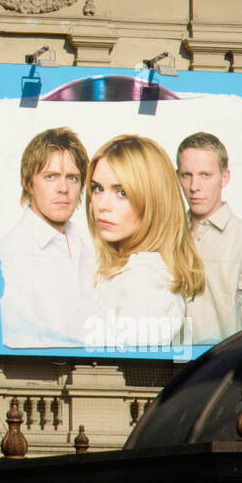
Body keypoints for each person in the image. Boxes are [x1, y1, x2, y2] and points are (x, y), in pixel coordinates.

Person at [85, 135, 205, 354]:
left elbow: (124, 371)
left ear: (153, 199)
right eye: (97, 188)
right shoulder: (126, 274)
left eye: (121, 193)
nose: (102, 205)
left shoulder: (146, 283)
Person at [0, 128, 94, 347]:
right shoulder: (12, 257)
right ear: (27, 182)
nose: (63, 189)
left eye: (72, 178)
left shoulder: (82, 242)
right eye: (50, 177)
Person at [176, 132, 242, 346]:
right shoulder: (169, 235)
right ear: (178, 177)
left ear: (225, 177)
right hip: (169, 368)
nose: (194, 187)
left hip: (220, 370)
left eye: (205, 175)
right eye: (186, 175)